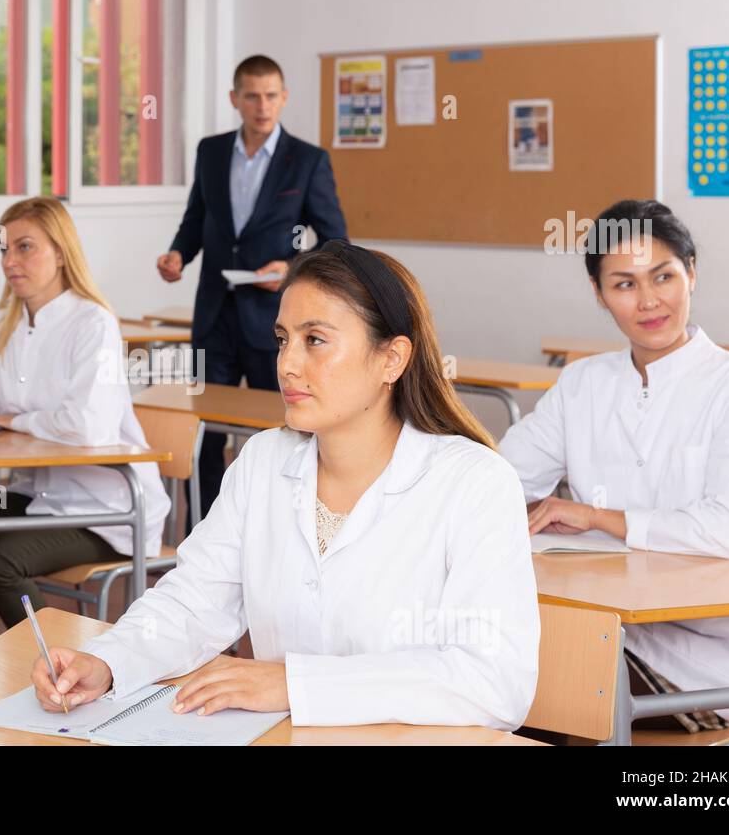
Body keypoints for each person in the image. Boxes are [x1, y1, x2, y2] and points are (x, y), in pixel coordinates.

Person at [34, 241, 539, 729]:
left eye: (315, 340)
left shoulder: (474, 482)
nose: (287, 363)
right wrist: (108, 662)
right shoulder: (263, 461)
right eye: (282, 339)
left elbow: (495, 683)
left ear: (392, 359)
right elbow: (194, 602)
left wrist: (295, 686)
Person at [500, 199, 729, 732]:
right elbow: (500, 479)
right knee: (491, 656)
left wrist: (598, 517)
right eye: (625, 284)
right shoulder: (585, 382)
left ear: (692, 273)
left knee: (526, 676)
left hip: (704, 666)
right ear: (600, 295)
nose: (650, 301)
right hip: (604, 625)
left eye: (664, 276)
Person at [0, 197, 170, 643]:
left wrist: (16, 419)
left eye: (25, 247)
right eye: (4, 249)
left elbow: (88, 426)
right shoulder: (2, 323)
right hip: (40, 494)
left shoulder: (94, 323)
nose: (10, 261)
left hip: (105, 508)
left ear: (61, 253)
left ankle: (67, 674)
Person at [157, 55, 347, 523]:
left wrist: (292, 266)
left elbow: (336, 239)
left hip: (277, 323)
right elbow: (197, 219)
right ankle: (200, 533)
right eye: (252, 96)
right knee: (203, 431)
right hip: (215, 314)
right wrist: (179, 254)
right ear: (235, 100)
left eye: (271, 95)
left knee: (284, 429)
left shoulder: (306, 160)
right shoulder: (211, 151)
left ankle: (279, 529)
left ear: (283, 98)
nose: (262, 106)